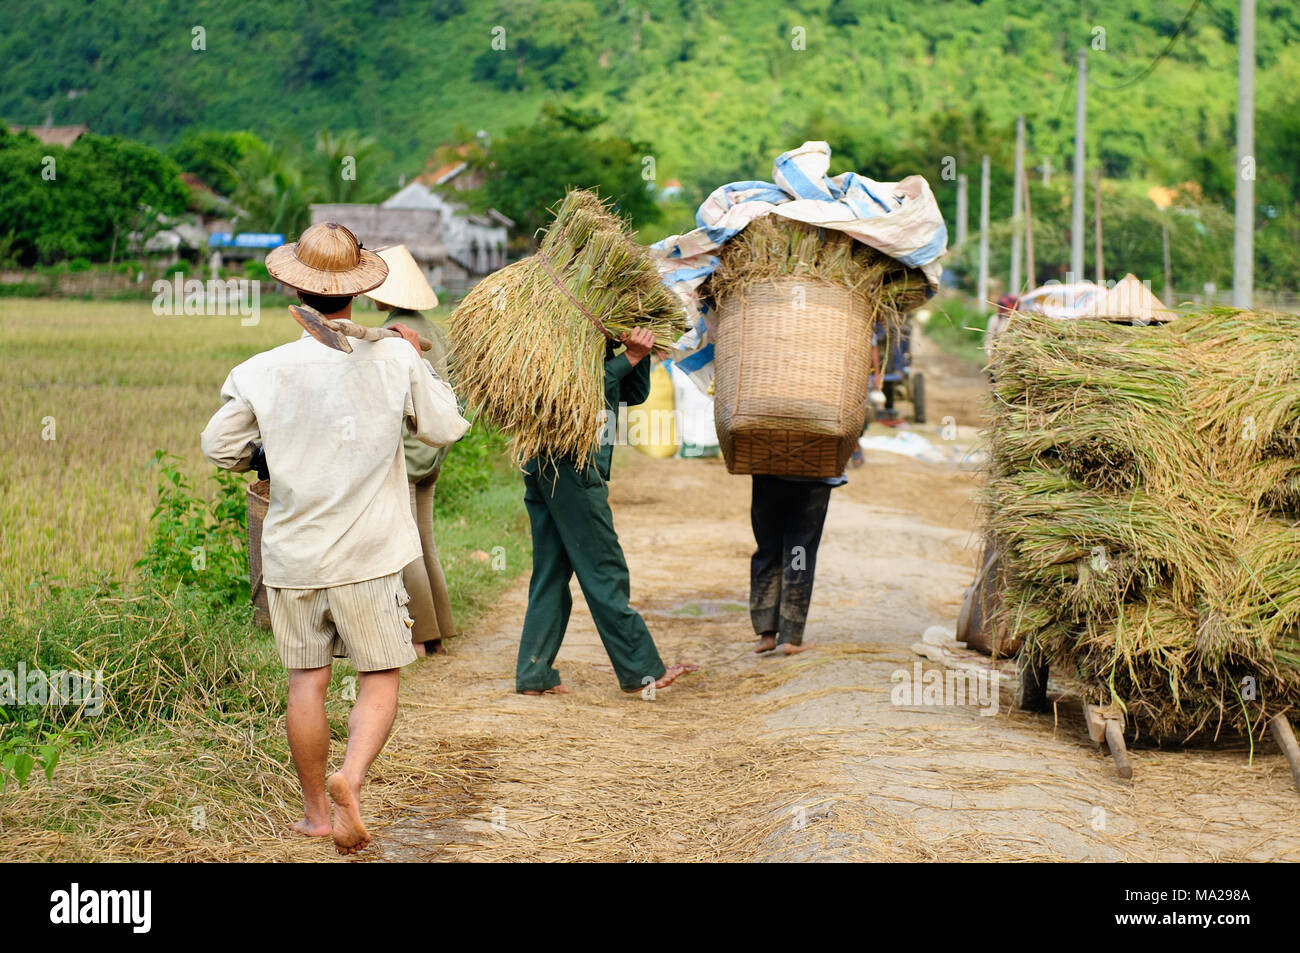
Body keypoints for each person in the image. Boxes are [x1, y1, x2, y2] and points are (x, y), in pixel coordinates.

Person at [200, 222, 469, 855]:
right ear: (357, 292)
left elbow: (220, 447)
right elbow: (445, 428)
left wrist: (271, 454)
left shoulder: (260, 370)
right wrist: (418, 362)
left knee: (306, 682)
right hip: (370, 556)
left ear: (293, 287)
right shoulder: (394, 355)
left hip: (292, 555)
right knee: (379, 676)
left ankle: (317, 813)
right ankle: (352, 776)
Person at [515, 329, 696, 696]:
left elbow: (633, 394)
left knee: (551, 571)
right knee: (603, 566)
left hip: (551, 462)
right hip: (570, 461)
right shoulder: (562, 329)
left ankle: (534, 675)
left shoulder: (597, 336)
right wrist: (625, 360)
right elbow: (568, 390)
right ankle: (642, 670)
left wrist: (637, 355)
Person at [364, 244, 455, 658]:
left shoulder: (392, 335)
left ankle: (418, 637)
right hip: (434, 448)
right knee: (424, 540)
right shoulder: (432, 330)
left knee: (404, 545)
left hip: (405, 453)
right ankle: (438, 629)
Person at [750, 471, 843, 655]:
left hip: (767, 472)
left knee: (768, 549)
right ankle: (790, 637)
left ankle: (766, 634)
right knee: (798, 554)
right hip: (813, 479)